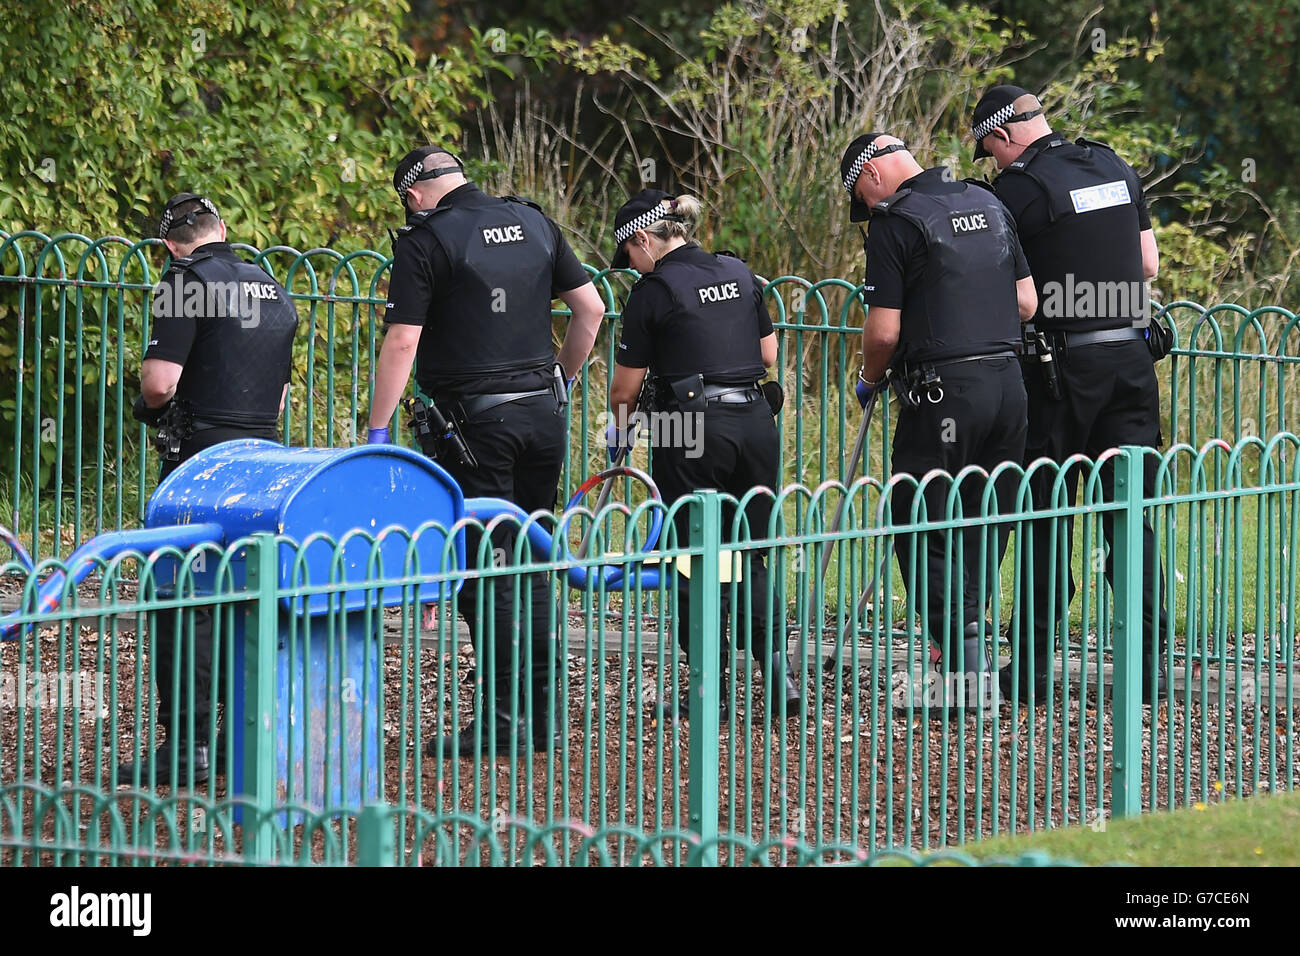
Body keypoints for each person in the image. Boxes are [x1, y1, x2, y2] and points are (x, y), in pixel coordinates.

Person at [367, 145, 606, 757]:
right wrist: (563, 377)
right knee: (535, 559)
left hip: (474, 428)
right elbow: (592, 309)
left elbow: (402, 343)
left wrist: (377, 429)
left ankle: (502, 722)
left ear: (413, 194)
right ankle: (543, 714)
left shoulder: (424, 241)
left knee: (486, 566)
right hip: (542, 418)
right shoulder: (534, 221)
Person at [970, 85, 1167, 705]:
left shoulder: (1017, 190)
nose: (992, 164)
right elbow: (1149, 264)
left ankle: (1028, 669)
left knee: (1046, 514)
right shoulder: (1112, 164)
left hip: (1061, 368)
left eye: (989, 153)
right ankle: (1146, 669)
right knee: (1130, 517)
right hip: (1132, 360)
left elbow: (1002, 288)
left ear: (1001, 138)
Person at [841, 133, 1037, 713]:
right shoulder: (987, 201)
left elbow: (883, 333)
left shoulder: (896, 222)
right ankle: (969, 666)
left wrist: (871, 378)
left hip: (943, 393)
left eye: (862, 198)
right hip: (1008, 385)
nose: (868, 210)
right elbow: (1026, 303)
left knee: (919, 520)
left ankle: (966, 675)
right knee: (984, 517)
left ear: (872, 175)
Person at [117, 191, 300, 785]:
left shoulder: (182, 282)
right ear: (222, 227)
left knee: (183, 593)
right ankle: (235, 734)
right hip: (264, 456)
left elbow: (160, 384)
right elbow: (277, 392)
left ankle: (188, 747)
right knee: (247, 590)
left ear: (170, 243)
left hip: (200, 458)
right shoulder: (270, 284)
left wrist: (150, 406)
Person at [605, 188, 800, 721]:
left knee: (694, 554)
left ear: (643, 239)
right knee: (751, 547)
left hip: (687, 422)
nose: (631, 267)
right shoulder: (739, 272)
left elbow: (625, 392)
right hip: (757, 418)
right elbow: (766, 353)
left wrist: (619, 439)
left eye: (629, 257)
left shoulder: (653, 290)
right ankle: (778, 676)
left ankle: (707, 685)